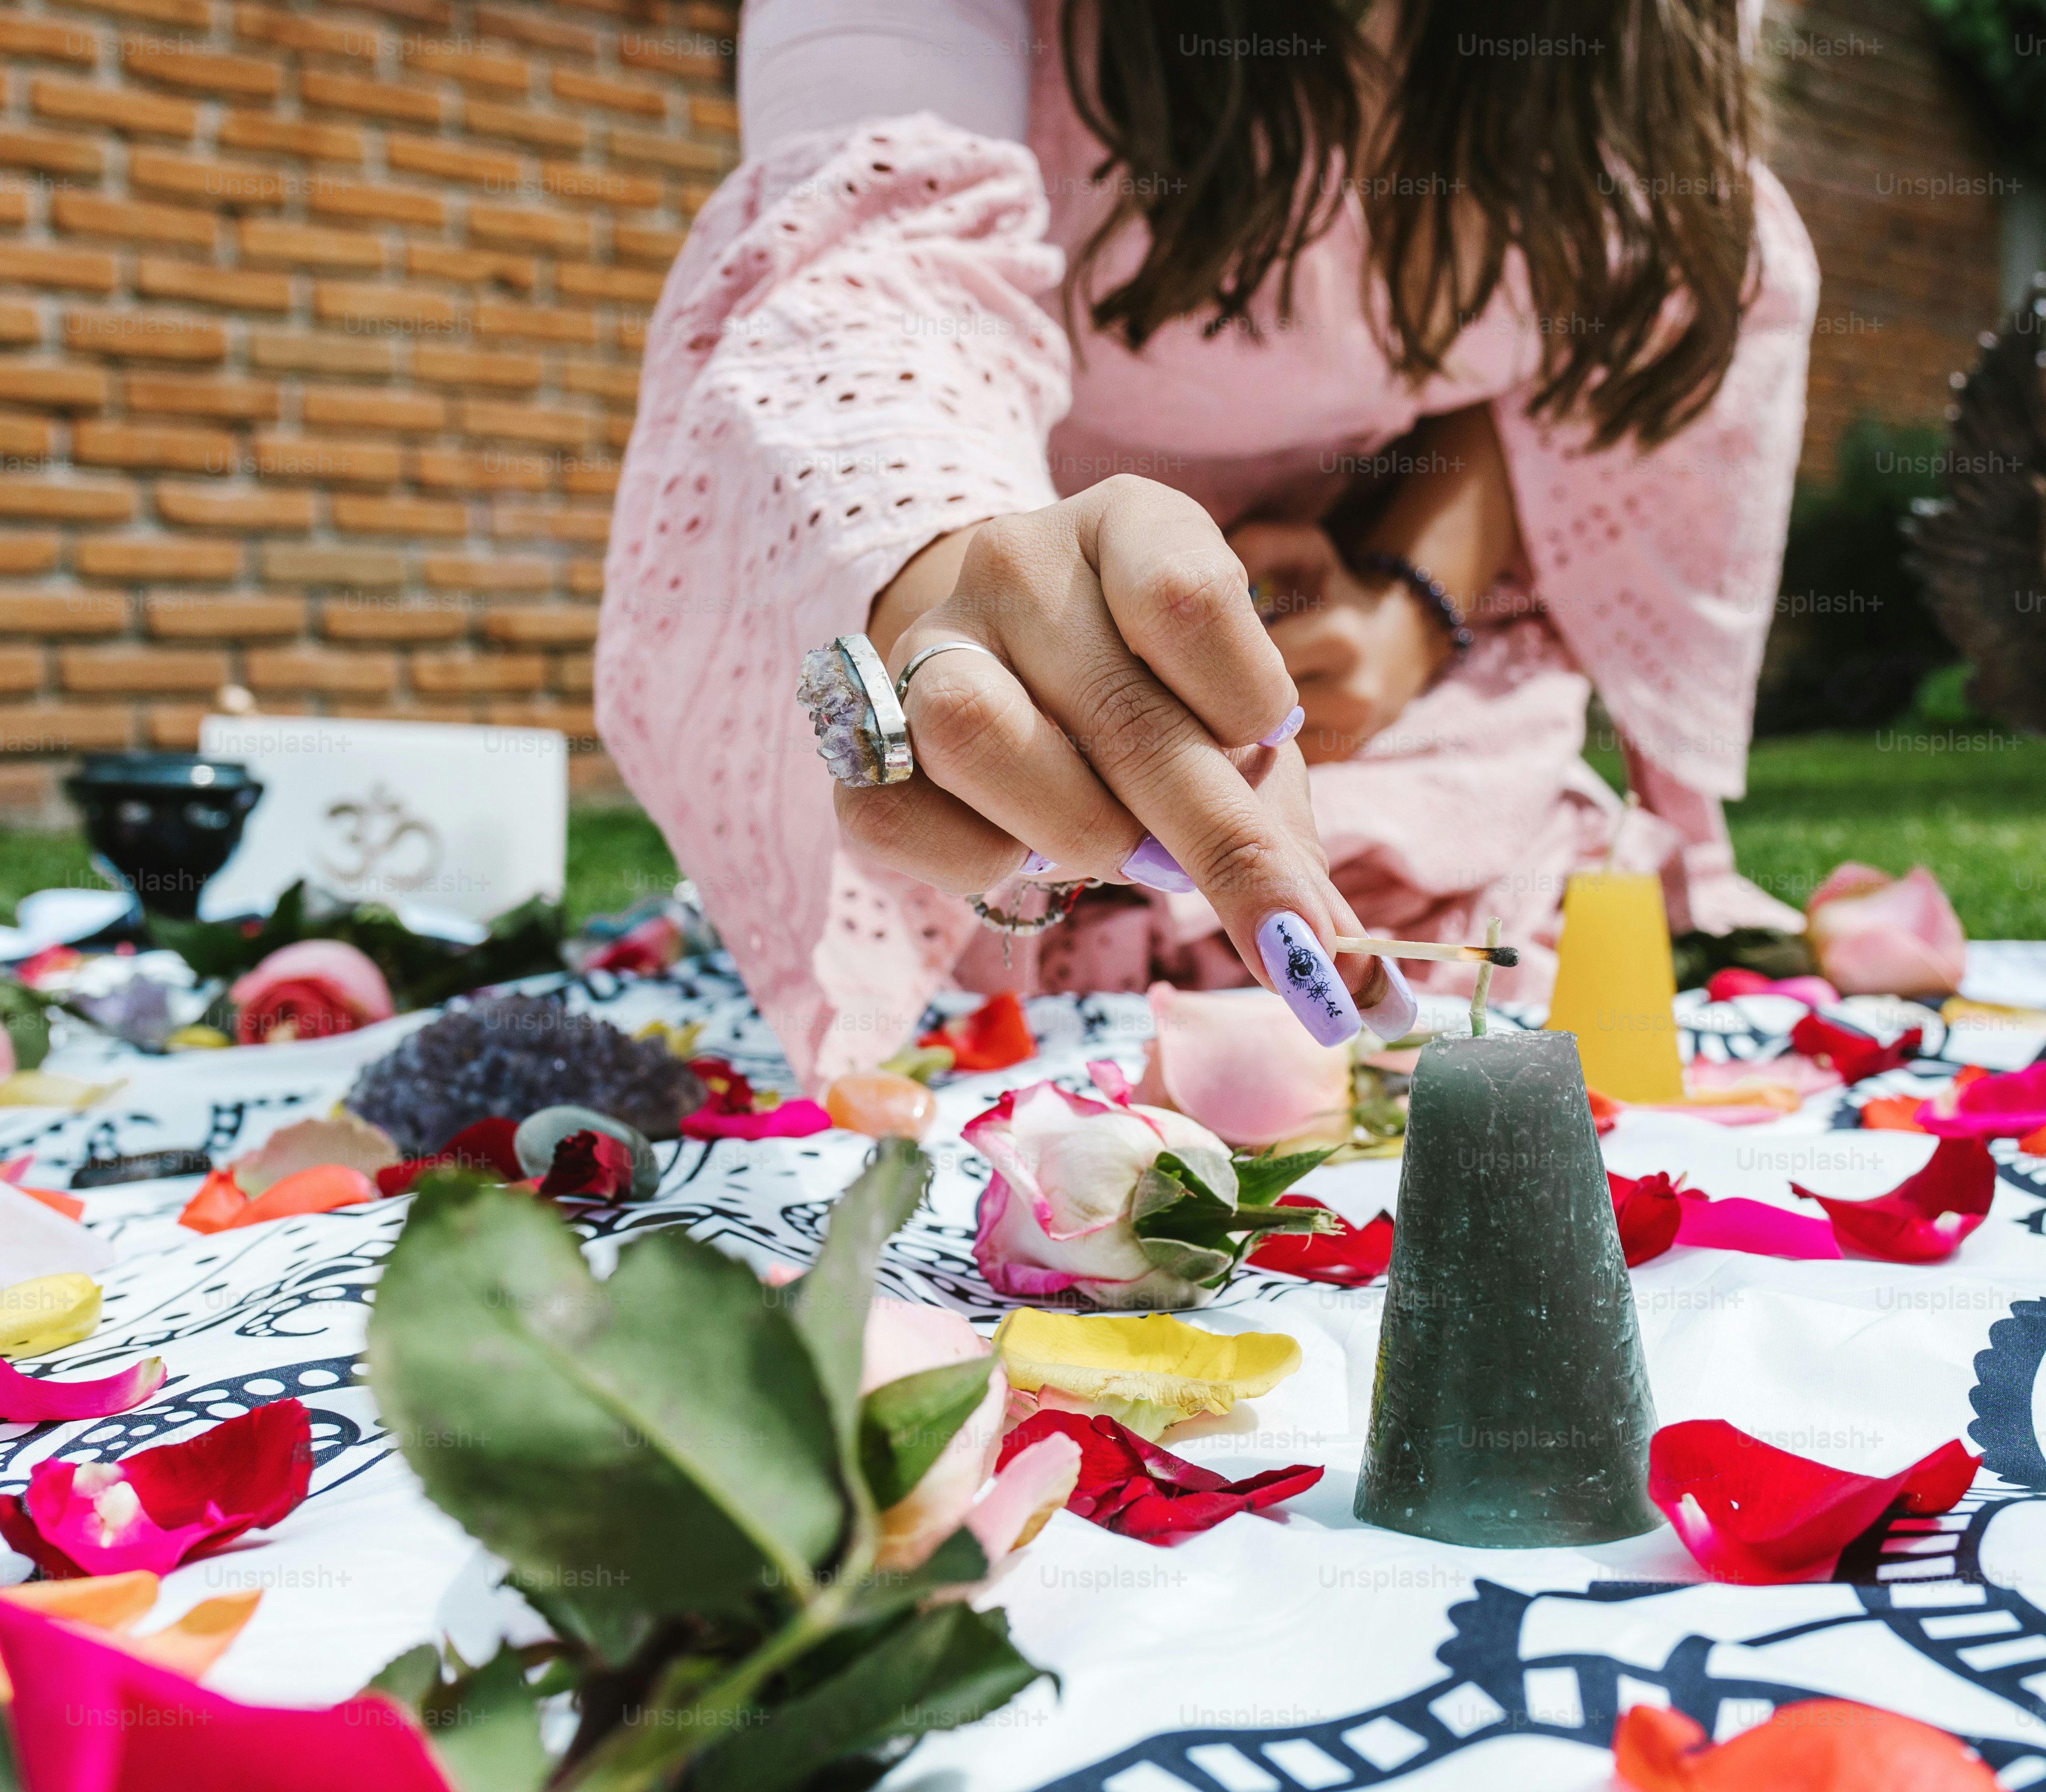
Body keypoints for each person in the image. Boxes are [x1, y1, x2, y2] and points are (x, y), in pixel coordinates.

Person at [601, 0, 1816, 1084]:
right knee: (985, 867)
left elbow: (1586, 347)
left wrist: (1404, 604)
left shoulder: (1655, 36)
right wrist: (949, 585)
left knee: (1484, 858)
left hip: (1357, 648)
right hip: (999, 640)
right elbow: (869, 276)